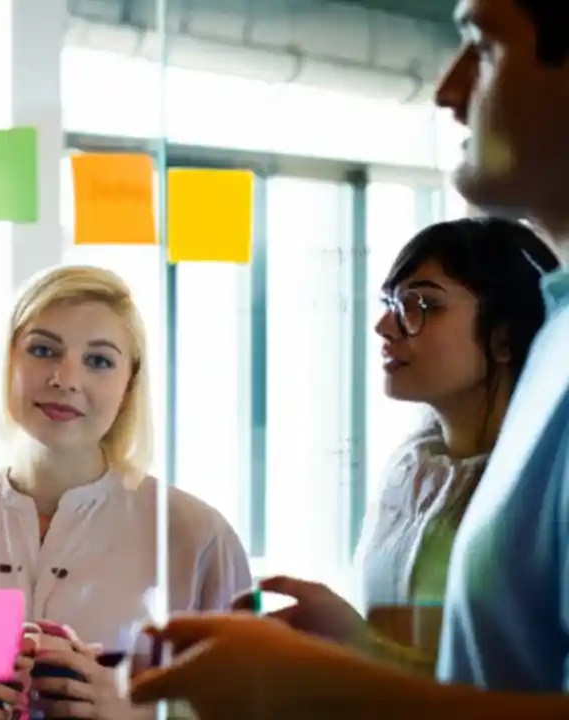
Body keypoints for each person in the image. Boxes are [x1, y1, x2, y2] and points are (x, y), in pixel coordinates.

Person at [129, 0, 569, 717]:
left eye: (484, 47)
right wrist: (357, 647)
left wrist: (325, 683)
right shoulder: (553, 345)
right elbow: (507, 674)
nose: (448, 88)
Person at [0, 265, 252, 720]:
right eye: (43, 350)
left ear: (129, 384)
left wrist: (138, 712)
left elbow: (249, 707)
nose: (66, 379)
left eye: (99, 360)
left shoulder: (197, 537)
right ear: (8, 361)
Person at [235, 218, 560, 675]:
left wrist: (354, 644)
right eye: (392, 302)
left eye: (423, 304)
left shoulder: (543, 483)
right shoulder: (411, 468)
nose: (386, 325)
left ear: (504, 335)